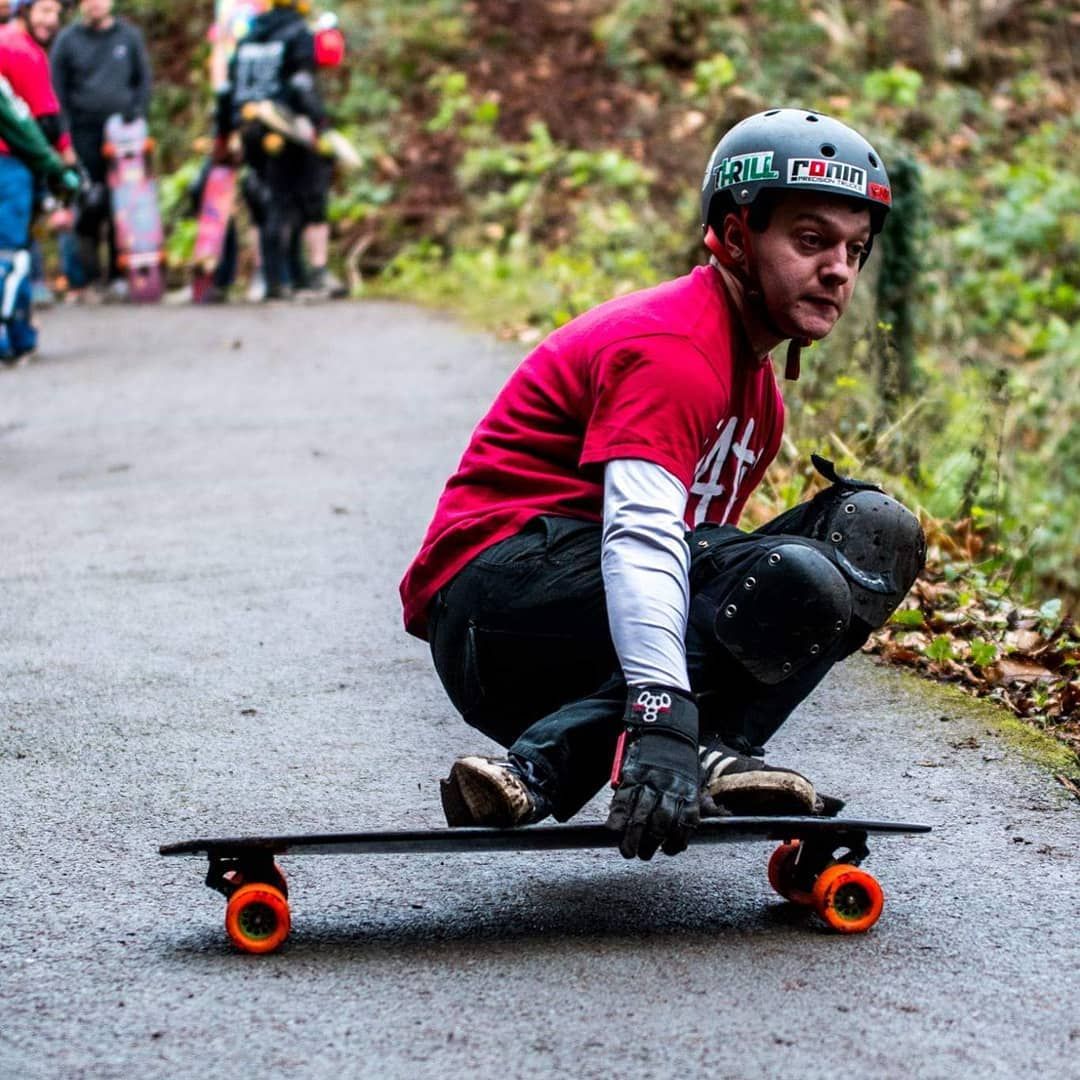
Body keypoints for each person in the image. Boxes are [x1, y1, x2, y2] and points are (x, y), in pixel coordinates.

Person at [400, 109, 927, 861]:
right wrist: (659, 714)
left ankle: (705, 753)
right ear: (736, 238)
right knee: (793, 574)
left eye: (855, 250)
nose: (839, 269)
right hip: (496, 610)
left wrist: (679, 721)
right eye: (811, 241)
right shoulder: (675, 346)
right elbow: (646, 542)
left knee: (875, 532)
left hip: (586, 621)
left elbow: (705, 587)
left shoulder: (761, 399)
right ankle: (548, 765)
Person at [214, 0, 344, 300]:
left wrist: (223, 134)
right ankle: (302, 277)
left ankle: (273, 277)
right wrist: (322, 127)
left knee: (264, 201)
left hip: (248, 128)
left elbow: (227, 90)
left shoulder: (249, 35)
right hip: (284, 130)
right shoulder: (298, 32)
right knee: (297, 201)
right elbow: (301, 85)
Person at [50, 0, 151, 298]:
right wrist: (63, 136)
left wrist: (137, 113)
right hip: (83, 135)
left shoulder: (128, 36)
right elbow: (57, 90)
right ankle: (91, 277)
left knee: (125, 206)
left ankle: (121, 275)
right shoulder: (67, 40)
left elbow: (143, 80)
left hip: (124, 138)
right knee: (90, 203)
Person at [0, 0, 75, 306]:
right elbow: (45, 118)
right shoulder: (23, 50)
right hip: (11, 161)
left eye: (56, 12)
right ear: (24, 11)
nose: (52, 19)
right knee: (11, 250)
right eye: (44, 11)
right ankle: (15, 324)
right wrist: (65, 162)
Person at [0, 68, 79, 359]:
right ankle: (14, 336)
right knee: (9, 256)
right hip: (7, 168)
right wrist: (55, 167)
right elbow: (19, 122)